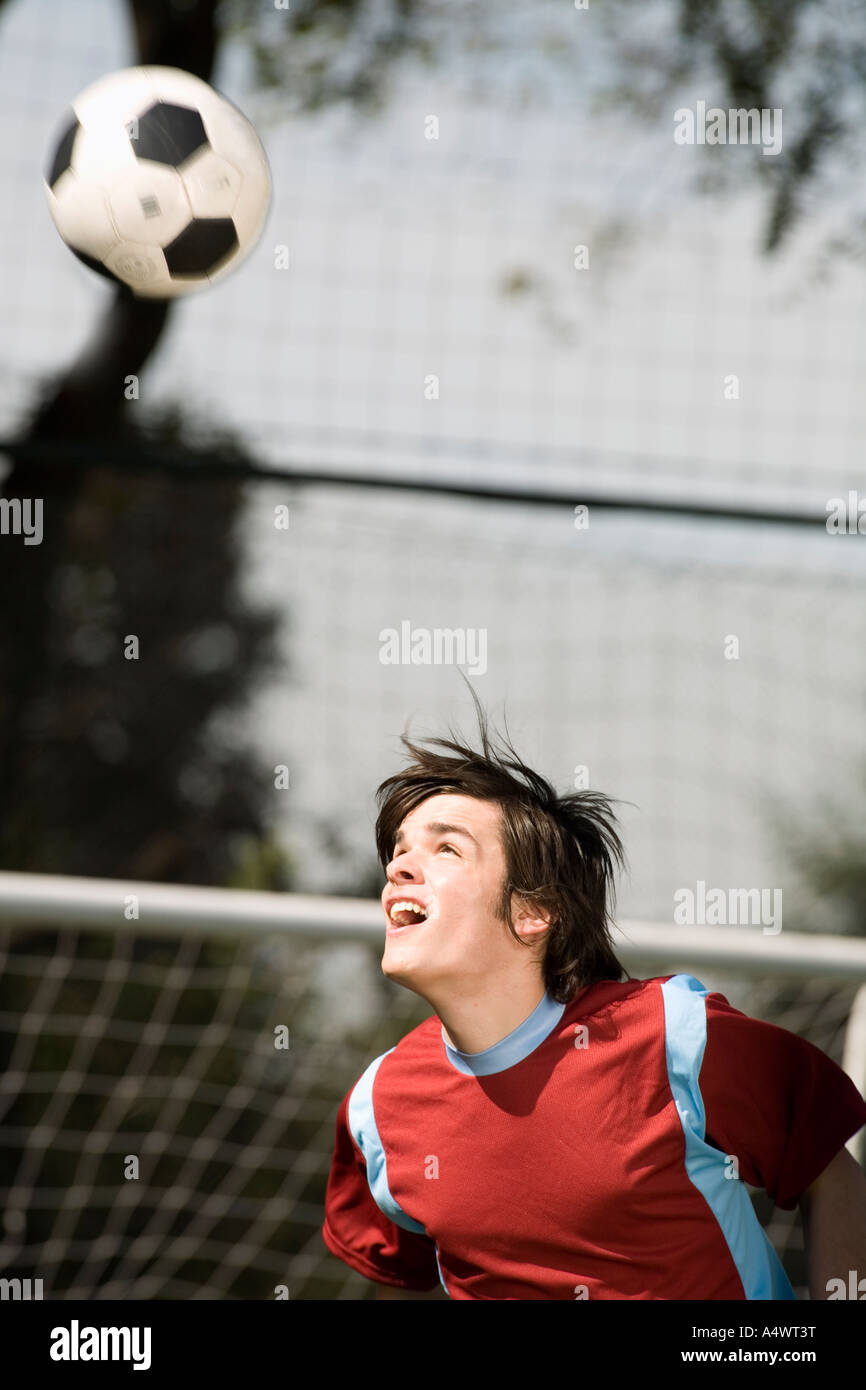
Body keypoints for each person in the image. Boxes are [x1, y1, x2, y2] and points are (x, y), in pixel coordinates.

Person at [321, 705, 866, 1300]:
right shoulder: (377, 1106)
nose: (399, 866)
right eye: (397, 851)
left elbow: (829, 1175)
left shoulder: (677, 1039)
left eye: (446, 849)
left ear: (532, 912)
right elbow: (405, 1270)